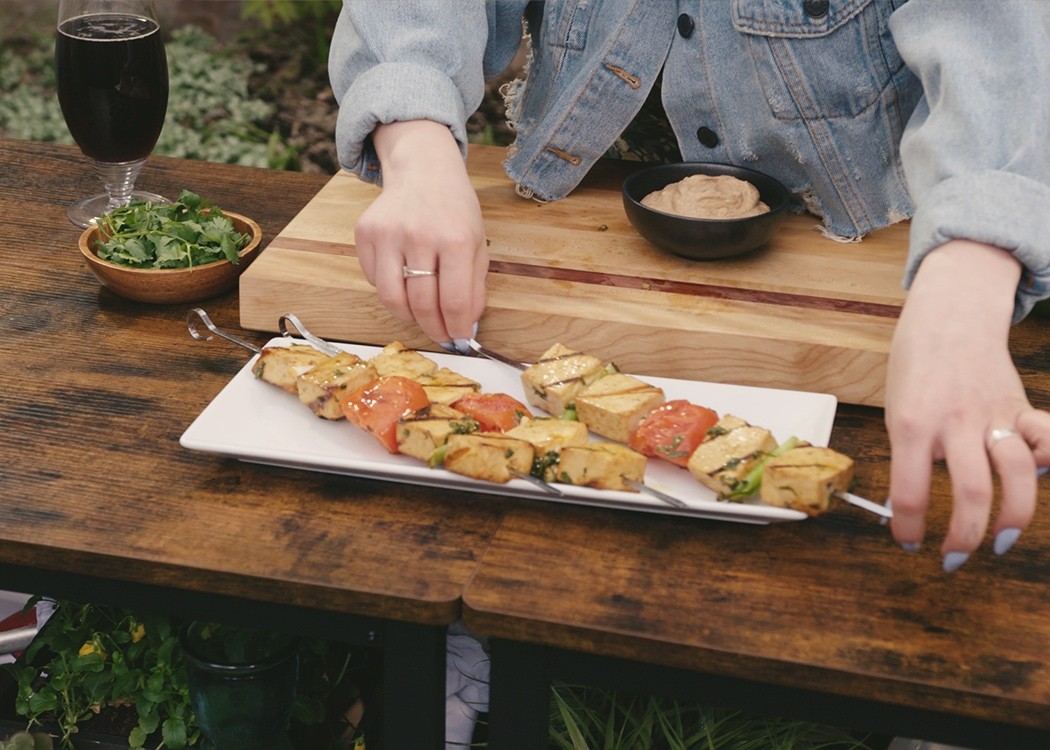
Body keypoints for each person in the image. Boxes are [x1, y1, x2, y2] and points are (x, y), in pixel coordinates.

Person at [328, 0, 1050, 574]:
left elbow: (1007, 45)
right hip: (573, 225)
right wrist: (417, 151)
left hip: (876, 250)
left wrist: (967, 285)